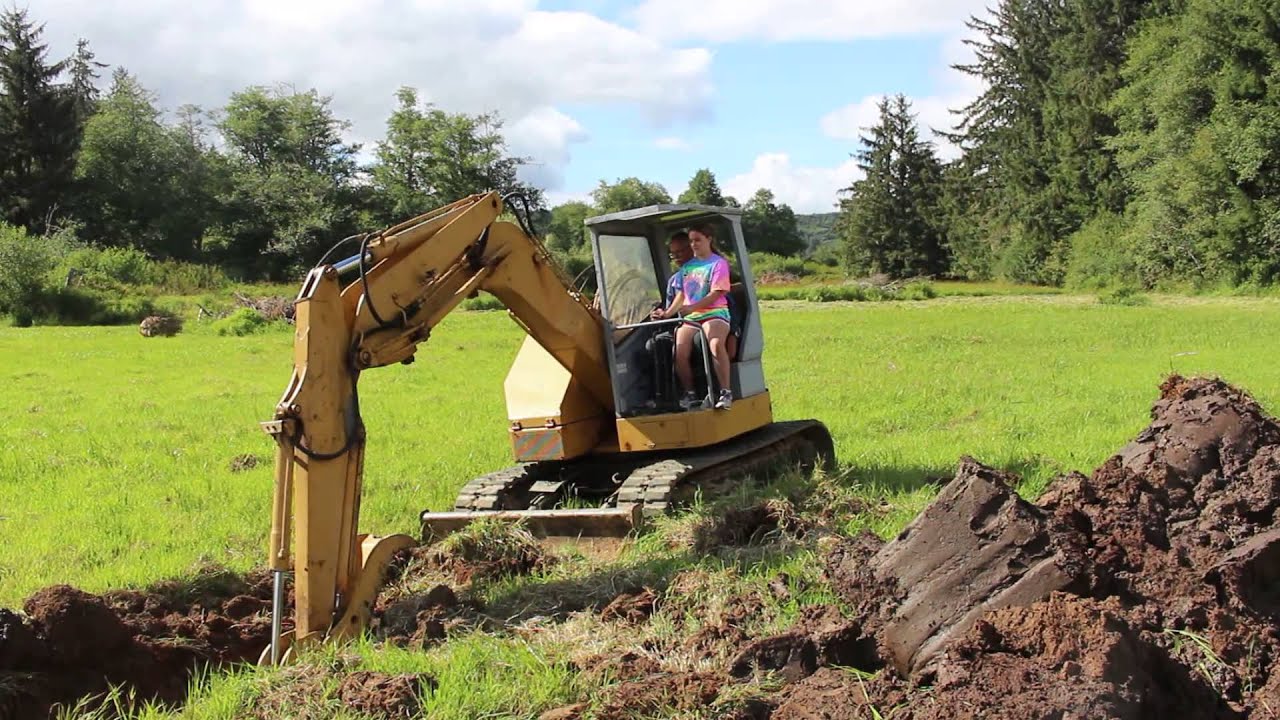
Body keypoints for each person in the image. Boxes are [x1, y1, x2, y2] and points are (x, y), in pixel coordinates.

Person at [650, 222, 734, 410]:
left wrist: (692, 307)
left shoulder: (718, 264)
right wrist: (666, 313)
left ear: (709, 239)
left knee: (715, 344)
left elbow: (716, 293)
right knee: (679, 351)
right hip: (691, 318)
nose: (694, 244)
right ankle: (690, 394)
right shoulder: (687, 268)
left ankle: (725, 392)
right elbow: (681, 295)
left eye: (698, 240)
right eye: (691, 241)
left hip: (715, 314)